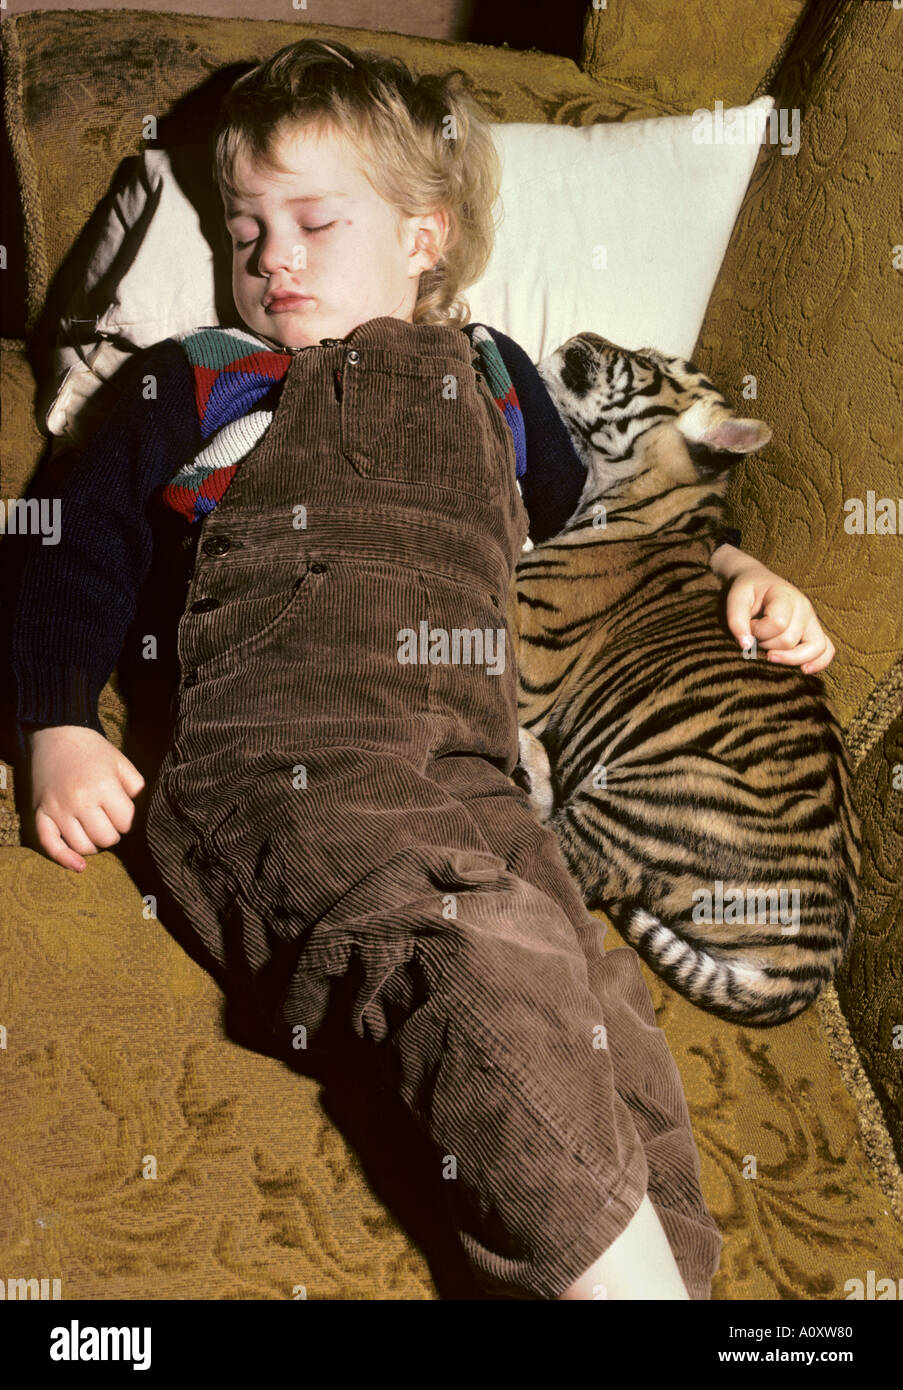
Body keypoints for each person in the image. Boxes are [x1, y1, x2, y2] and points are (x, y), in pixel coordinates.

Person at [6, 39, 835, 1300]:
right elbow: (70, 539)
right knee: (456, 939)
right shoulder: (205, 380)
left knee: (598, 997)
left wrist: (732, 570)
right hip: (289, 766)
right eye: (244, 230)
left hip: (479, 780)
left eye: (313, 221)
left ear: (423, 237)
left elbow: (606, 530)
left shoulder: (503, 388)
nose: (270, 257)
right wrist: (53, 719)